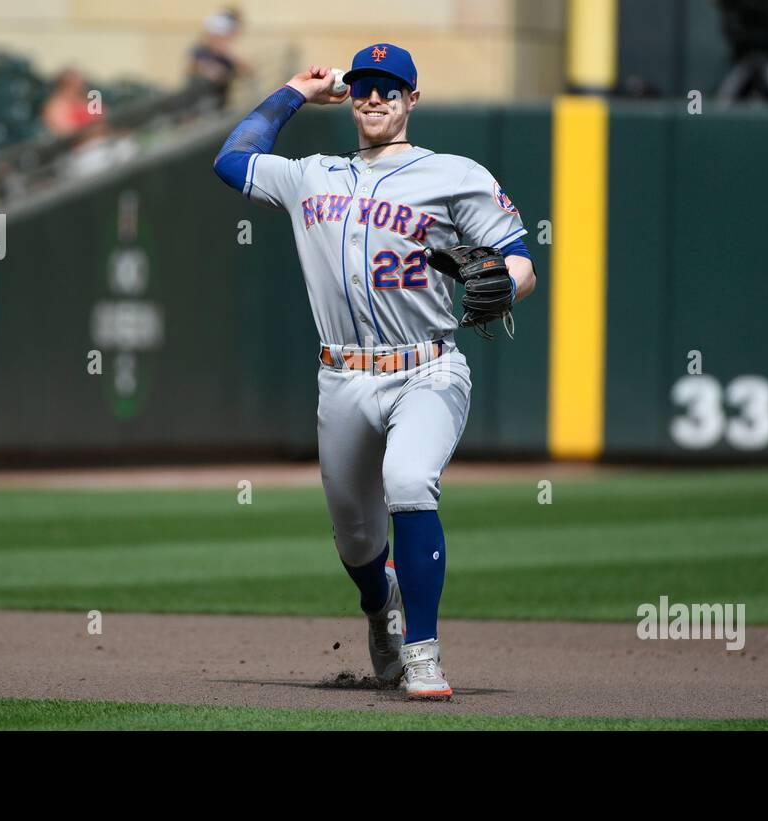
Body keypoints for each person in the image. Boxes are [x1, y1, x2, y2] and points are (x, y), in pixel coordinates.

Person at [211, 45, 537, 699]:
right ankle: (377, 604)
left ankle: (422, 652)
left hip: (428, 369)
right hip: (343, 378)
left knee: (411, 480)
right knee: (357, 541)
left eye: (391, 88)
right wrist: (294, 92)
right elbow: (231, 160)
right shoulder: (311, 176)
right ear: (351, 94)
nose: (376, 98)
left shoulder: (454, 174)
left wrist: (505, 286)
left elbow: (519, 260)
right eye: (365, 87)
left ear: (413, 99)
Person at [185, 8, 248, 111]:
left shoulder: (226, 55)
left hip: (219, 100)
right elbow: (194, 69)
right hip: (202, 99)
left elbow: (244, 69)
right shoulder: (200, 51)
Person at [42, 68, 104, 136]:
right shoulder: (56, 106)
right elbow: (67, 132)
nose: (78, 88)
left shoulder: (87, 101)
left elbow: (103, 121)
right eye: (73, 84)